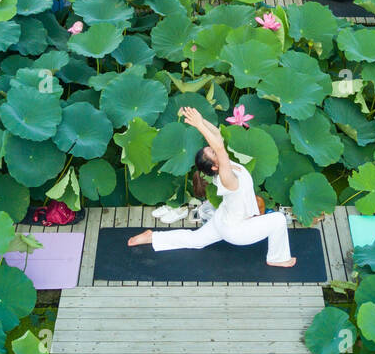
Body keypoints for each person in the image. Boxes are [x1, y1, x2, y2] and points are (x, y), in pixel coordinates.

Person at [126, 108, 296, 268]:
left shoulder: (224, 166)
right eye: (213, 153)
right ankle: (278, 258)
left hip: (223, 219)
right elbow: (219, 147)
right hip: (237, 230)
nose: (216, 149)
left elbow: (216, 136)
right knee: (279, 219)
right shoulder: (226, 178)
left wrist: (201, 120)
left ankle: (153, 237)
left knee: (196, 240)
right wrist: (199, 125)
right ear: (215, 166)